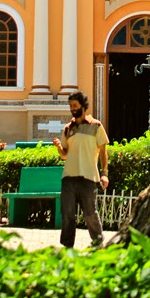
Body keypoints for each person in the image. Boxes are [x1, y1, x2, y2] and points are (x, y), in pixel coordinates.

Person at [53, 90, 109, 248]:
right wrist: (58, 148)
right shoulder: (67, 129)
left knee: (90, 213)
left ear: (83, 106)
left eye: (75, 105)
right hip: (69, 177)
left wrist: (104, 174)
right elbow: (64, 155)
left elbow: (103, 152)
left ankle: (98, 242)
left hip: (88, 177)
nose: (72, 108)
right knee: (67, 214)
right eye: (70, 106)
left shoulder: (96, 126)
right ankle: (67, 246)